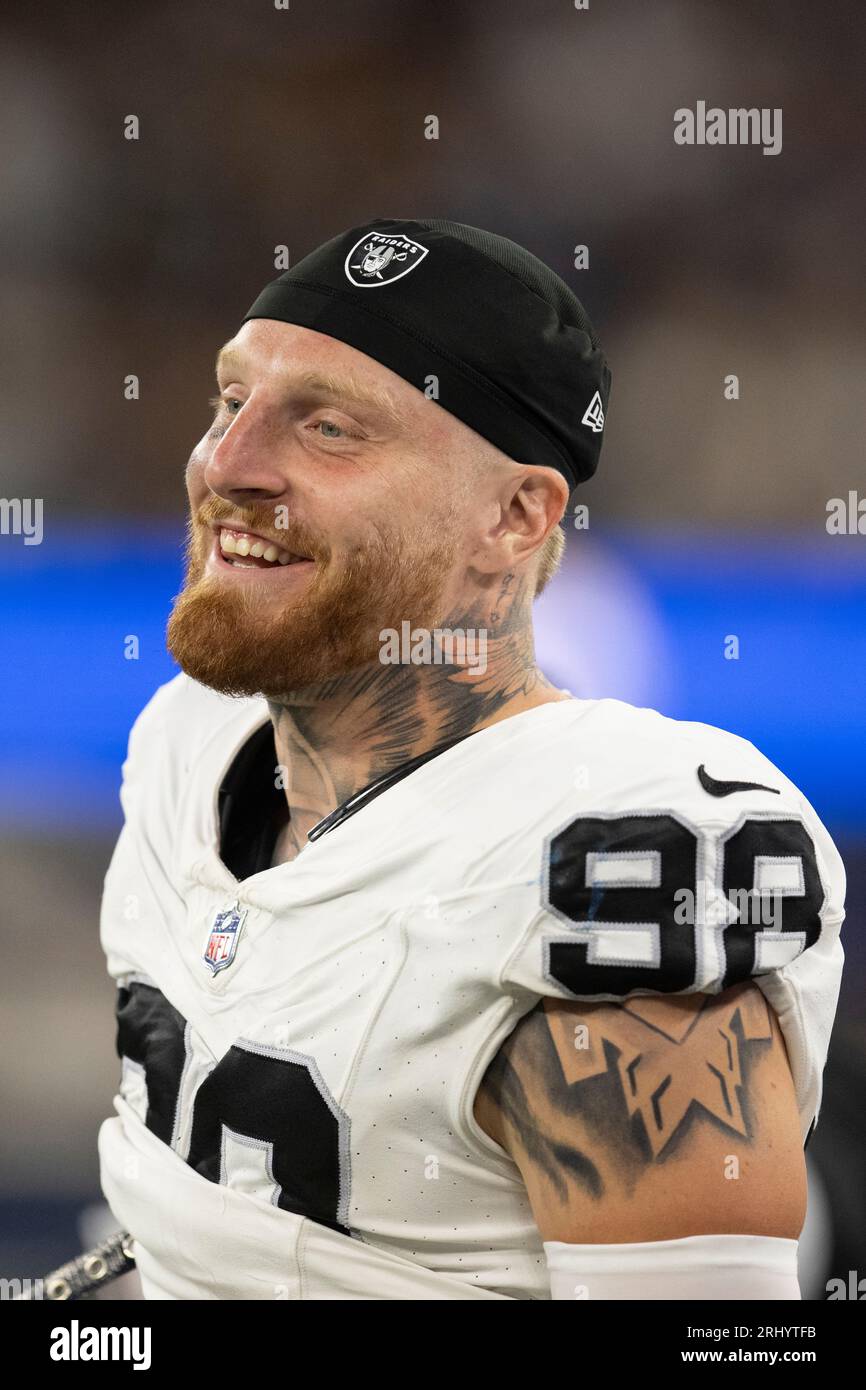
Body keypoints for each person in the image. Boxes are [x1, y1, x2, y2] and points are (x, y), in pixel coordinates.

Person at [97, 218, 845, 1300]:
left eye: (329, 429)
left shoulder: (609, 860)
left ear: (511, 515)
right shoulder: (186, 738)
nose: (226, 462)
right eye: (231, 401)